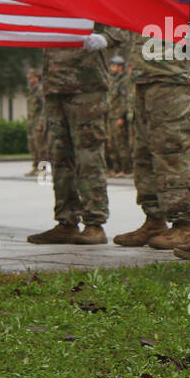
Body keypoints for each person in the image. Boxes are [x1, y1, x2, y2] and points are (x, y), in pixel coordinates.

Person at [27, 30, 113, 245]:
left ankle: (94, 223)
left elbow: (121, 22)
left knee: (88, 155)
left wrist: (106, 38)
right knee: (59, 157)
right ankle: (67, 222)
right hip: (55, 86)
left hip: (86, 86)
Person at [113, 30, 190, 251]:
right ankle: (154, 220)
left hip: (171, 77)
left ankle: (184, 224)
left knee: (172, 151)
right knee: (143, 153)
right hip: (144, 76)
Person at [106, 55, 132, 177]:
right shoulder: (112, 80)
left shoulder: (124, 81)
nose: (111, 68)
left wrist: (121, 116)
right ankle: (116, 168)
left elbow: (124, 100)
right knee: (112, 143)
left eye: (114, 66)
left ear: (120, 67)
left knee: (121, 143)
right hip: (111, 115)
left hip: (118, 116)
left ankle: (125, 169)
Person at [24, 68, 47, 176]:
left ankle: (43, 168)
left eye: (31, 78)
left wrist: (41, 123)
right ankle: (35, 166)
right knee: (32, 146)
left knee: (41, 146)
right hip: (31, 122)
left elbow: (44, 107)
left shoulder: (40, 90)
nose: (29, 79)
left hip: (38, 122)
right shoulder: (31, 91)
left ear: (37, 78)